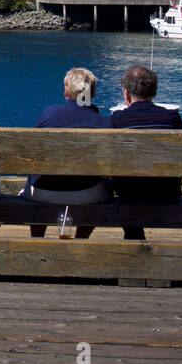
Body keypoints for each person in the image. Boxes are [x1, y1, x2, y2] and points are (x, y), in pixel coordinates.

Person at [26, 67, 112, 239]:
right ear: (92, 94)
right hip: (86, 192)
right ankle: (81, 239)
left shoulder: (48, 113)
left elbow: (33, 152)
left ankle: (37, 238)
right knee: (105, 187)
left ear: (66, 90)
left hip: (44, 190)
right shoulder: (104, 122)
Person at [110, 65, 182, 240]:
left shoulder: (116, 120)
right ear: (154, 92)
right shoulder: (172, 119)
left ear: (126, 94)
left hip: (130, 195)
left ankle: (133, 236)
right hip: (167, 193)